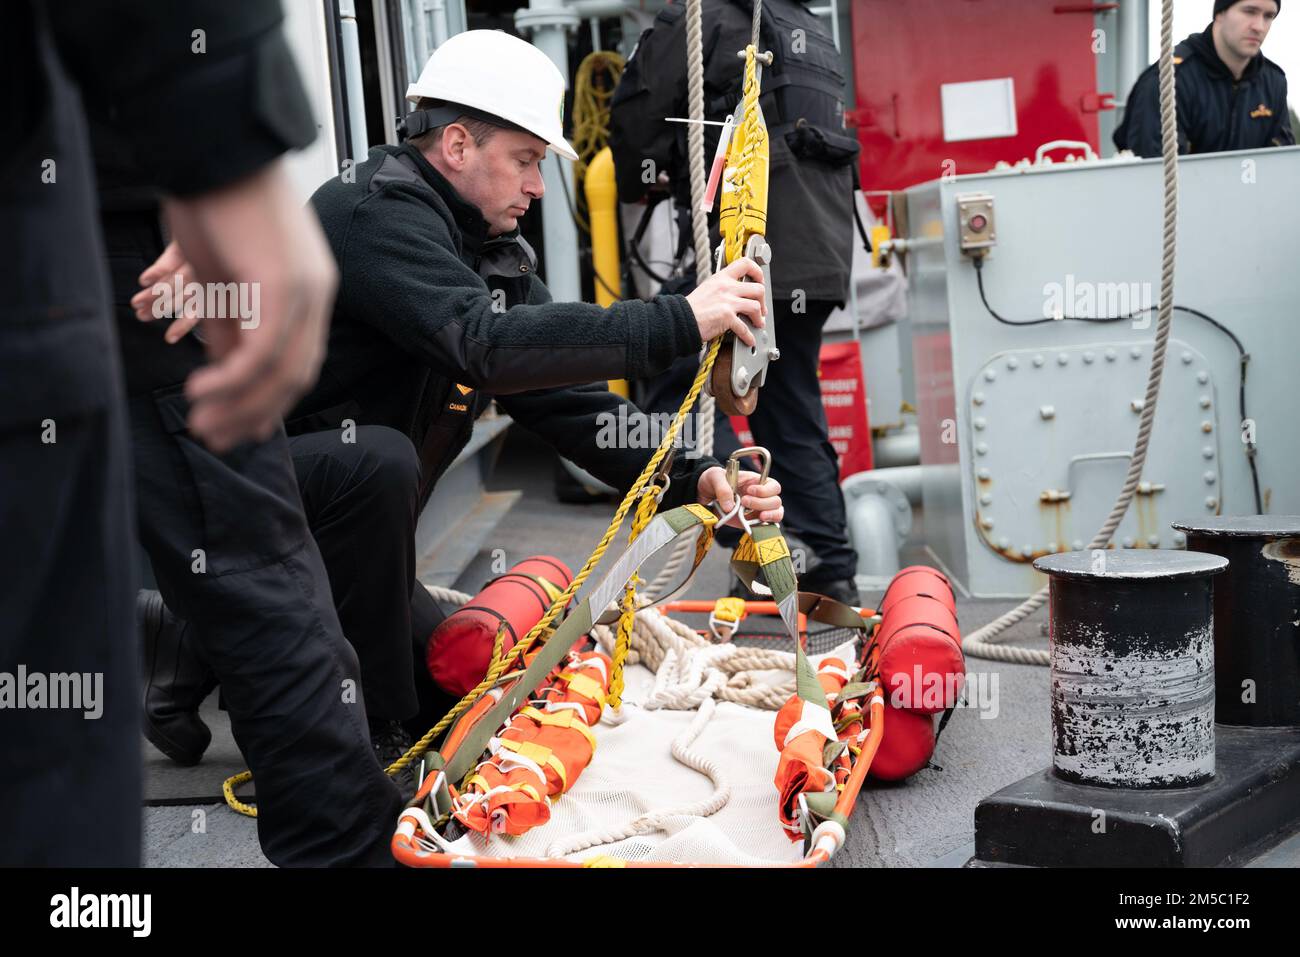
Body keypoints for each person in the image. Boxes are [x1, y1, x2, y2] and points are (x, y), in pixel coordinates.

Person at [133, 29, 785, 757]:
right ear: (456, 145)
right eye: (526, 161)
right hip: (231, 504)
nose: (538, 186)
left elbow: (565, 401)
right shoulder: (376, 214)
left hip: (322, 526)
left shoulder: (484, 251)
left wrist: (694, 477)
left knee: (452, 689)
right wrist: (680, 319)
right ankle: (359, 741)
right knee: (372, 465)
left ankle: (182, 640)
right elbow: (484, 344)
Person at [4, 0, 403, 867]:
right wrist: (217, 154)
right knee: (252, 581)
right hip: (77, 211)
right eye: (523, 161)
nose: (533, 187)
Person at [608, 0, 861, 604]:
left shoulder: (699, 19)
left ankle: (732, 513)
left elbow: (638, 124)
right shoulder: (807, 24)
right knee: (790, 404)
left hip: (757, 248)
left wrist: (642, 177)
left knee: (670, 370)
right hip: (818, 250)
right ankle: (821, 561)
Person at [1114, 0, 1293, 156]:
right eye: (1249, 11)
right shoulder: (1170, 80)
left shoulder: (1273, 82)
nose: (1259, 26)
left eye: (1268, 16)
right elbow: (1151, 174)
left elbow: (1279, 165)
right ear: (1220, 13)